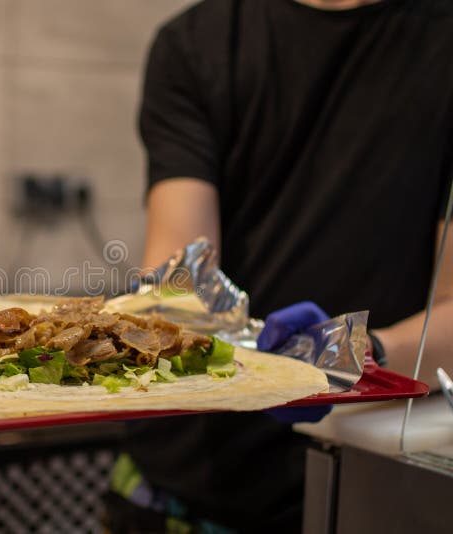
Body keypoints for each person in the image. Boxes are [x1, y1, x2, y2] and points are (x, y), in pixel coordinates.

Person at [103, 0, 453, 532]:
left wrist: (354, 356)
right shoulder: (199, 42)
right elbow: (179, 278)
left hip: (354, 484)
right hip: (179, 488)